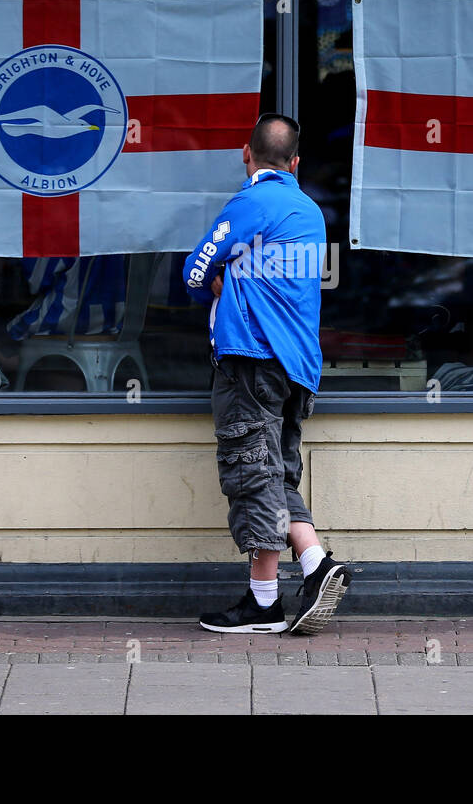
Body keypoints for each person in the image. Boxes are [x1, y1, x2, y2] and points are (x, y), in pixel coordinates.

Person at [183, 113, 352, 635]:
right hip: (297, 365)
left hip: (252, 362)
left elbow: (194, 269)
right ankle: (316, 563)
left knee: (251, 475)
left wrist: (217, 285)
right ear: (296, 163)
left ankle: (264, 603)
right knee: (273, 474)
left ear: (246, 154)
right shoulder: (309, 210)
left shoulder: (252, 202)